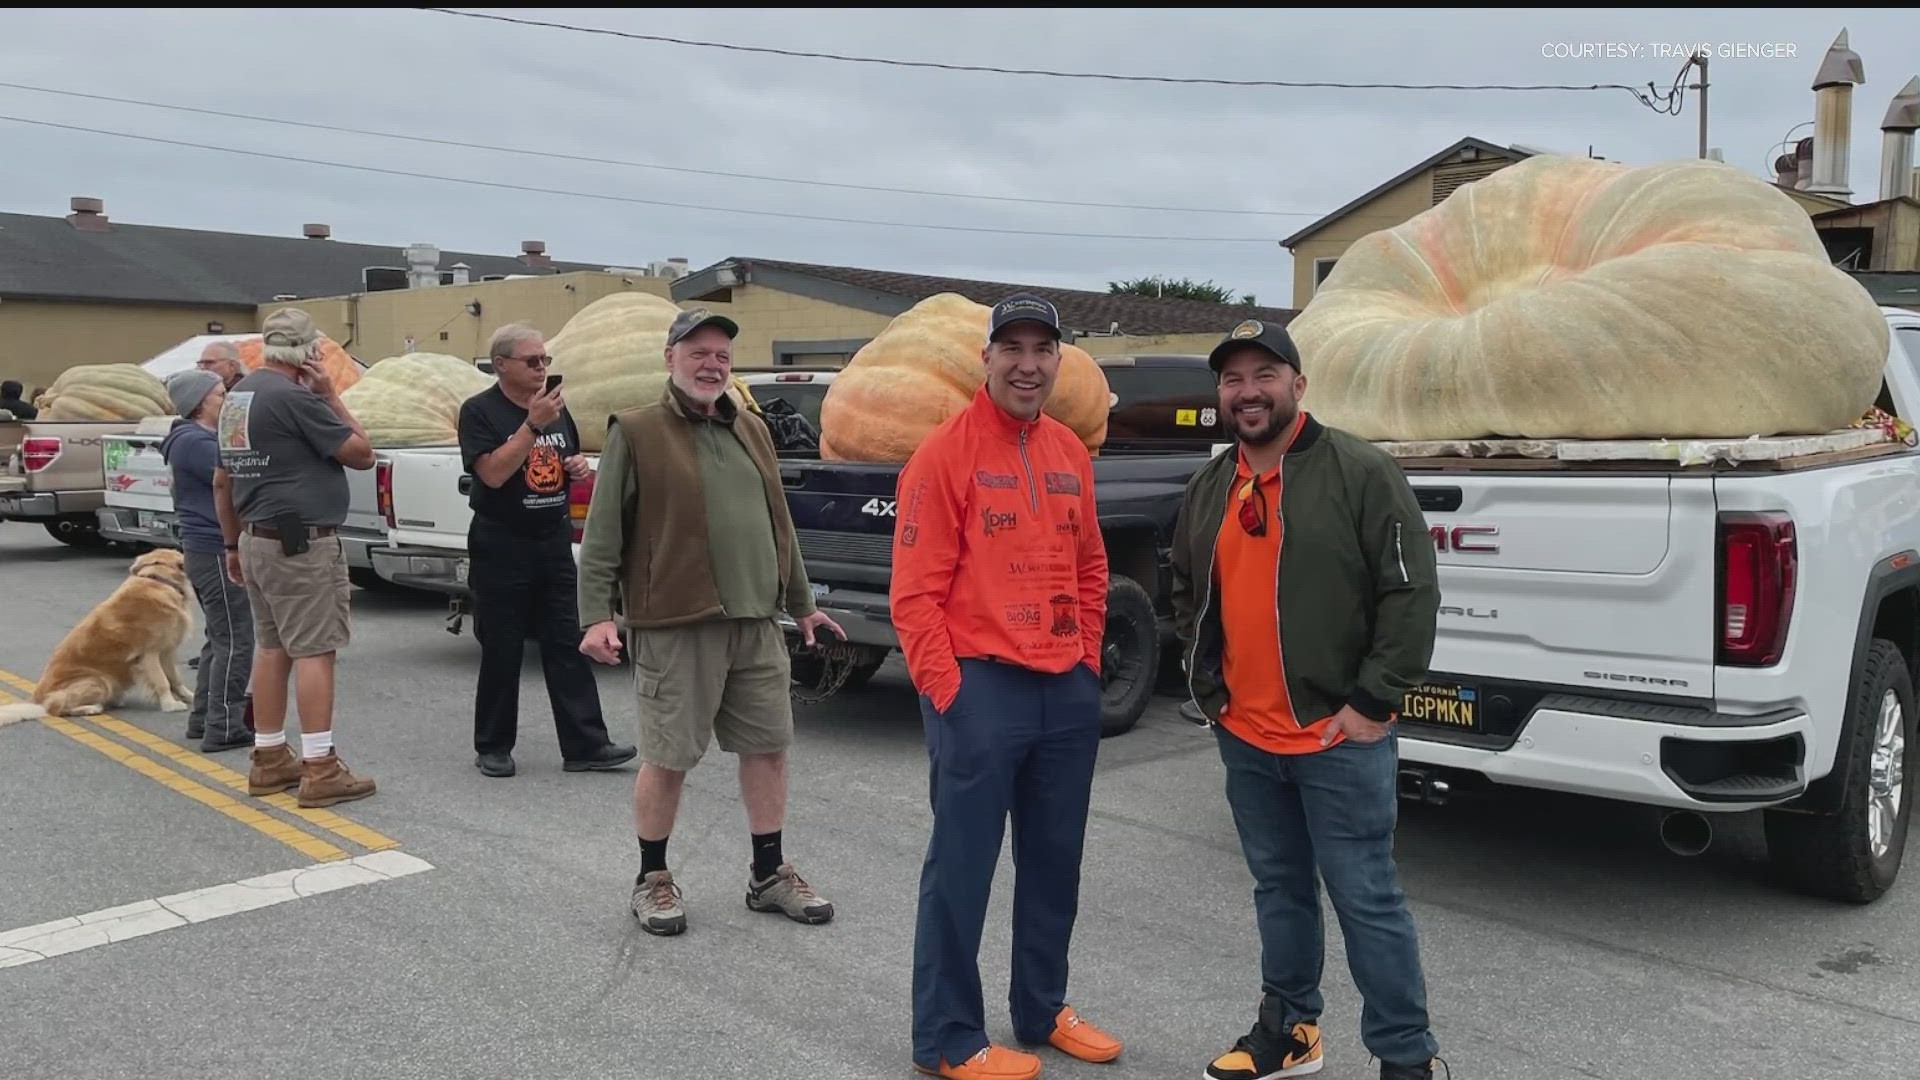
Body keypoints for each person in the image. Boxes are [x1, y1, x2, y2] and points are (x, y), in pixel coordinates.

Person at [1169, 319, 1443, 1080]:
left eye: (1264, 374)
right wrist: (1211, 691)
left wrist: (1373, 702)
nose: (1247, 392)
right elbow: (1186, 588)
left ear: (1298, 384)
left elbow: (1411, 593)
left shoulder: (1359, 472)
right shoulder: (1211, 484)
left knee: (1367, 901)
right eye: (1232, 379)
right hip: (1247, 737)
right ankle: (1289, 1030)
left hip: (1337, 738)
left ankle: (1405, 1060)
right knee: (1280, 890)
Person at [892, 294, 1121, 1080]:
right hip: (980, 689)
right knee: (961, 867)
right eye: (1012, 348)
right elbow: (914, 595)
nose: (1028, 363)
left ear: (1060, 360)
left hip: (1064, 690)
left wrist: (1087, 662)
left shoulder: (1067, 451)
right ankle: (948, 1040)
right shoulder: (944, 454)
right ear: (985, 359)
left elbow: (1092, 566)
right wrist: (948, 693)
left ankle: (1040, 1009)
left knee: (1055, 861)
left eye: (1043, 349)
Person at [576, 306, 844, 936]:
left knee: (768, 749)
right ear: (670, 358)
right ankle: (653, 879)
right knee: (669, 757)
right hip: (675, 622)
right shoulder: (637, 431)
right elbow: (603, 532)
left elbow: (780, 525)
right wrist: (596, 616)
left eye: (722, 355)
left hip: (756, 621)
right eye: (697, 352)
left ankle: (768, 874)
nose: (711, 364)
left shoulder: (752, 429)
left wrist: (802, 604)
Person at [212, 307, 377, 809]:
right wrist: (329, 394)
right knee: (314, 650)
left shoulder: (237, 398)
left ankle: (268, 756)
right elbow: (361, 453)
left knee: (272, 647)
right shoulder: (296, 398)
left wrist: (232, 542)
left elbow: (223, 480)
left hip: (256, 537)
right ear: (310, 352)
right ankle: (320, 766)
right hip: (300, 541)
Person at [458, 323, 635, 778]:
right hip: (502, 541)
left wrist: (575, 465)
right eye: (531, 361)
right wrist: (532, 424)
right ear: (501, 365)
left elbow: (562, 456)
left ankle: (586, 745)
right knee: (502, 646)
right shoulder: (480, 412)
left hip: (551, 539)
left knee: (566, 643)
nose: (541, 369)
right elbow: (493, 474)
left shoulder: (558, 409)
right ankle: (493, 746)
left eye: (545, 361)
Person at [161, 370, 254, 754]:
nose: (227, 399)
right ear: (200, 403)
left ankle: (205, 718)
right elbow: (236, 480)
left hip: (204, 548)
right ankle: (226, 724)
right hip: (215, 547)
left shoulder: (190, 439)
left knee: (221, 637)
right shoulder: (196, 443)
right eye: (220, 394)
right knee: (236, 639)